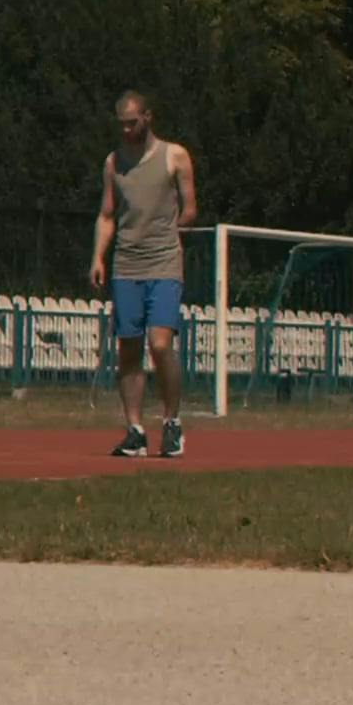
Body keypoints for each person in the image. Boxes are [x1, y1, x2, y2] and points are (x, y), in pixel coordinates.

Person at [88, 88, 195, 457]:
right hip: (126, 265)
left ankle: (172, 421)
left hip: (164, 261)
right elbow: (106, 214)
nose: (127, 130)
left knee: (161, 344)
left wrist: (173, 231)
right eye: (122, 125)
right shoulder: (114, 163)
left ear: (148, 117)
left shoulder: (174, 156)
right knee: (129, 347)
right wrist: (98, 257)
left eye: (133, 123)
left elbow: (190, 208)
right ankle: (135, 430)